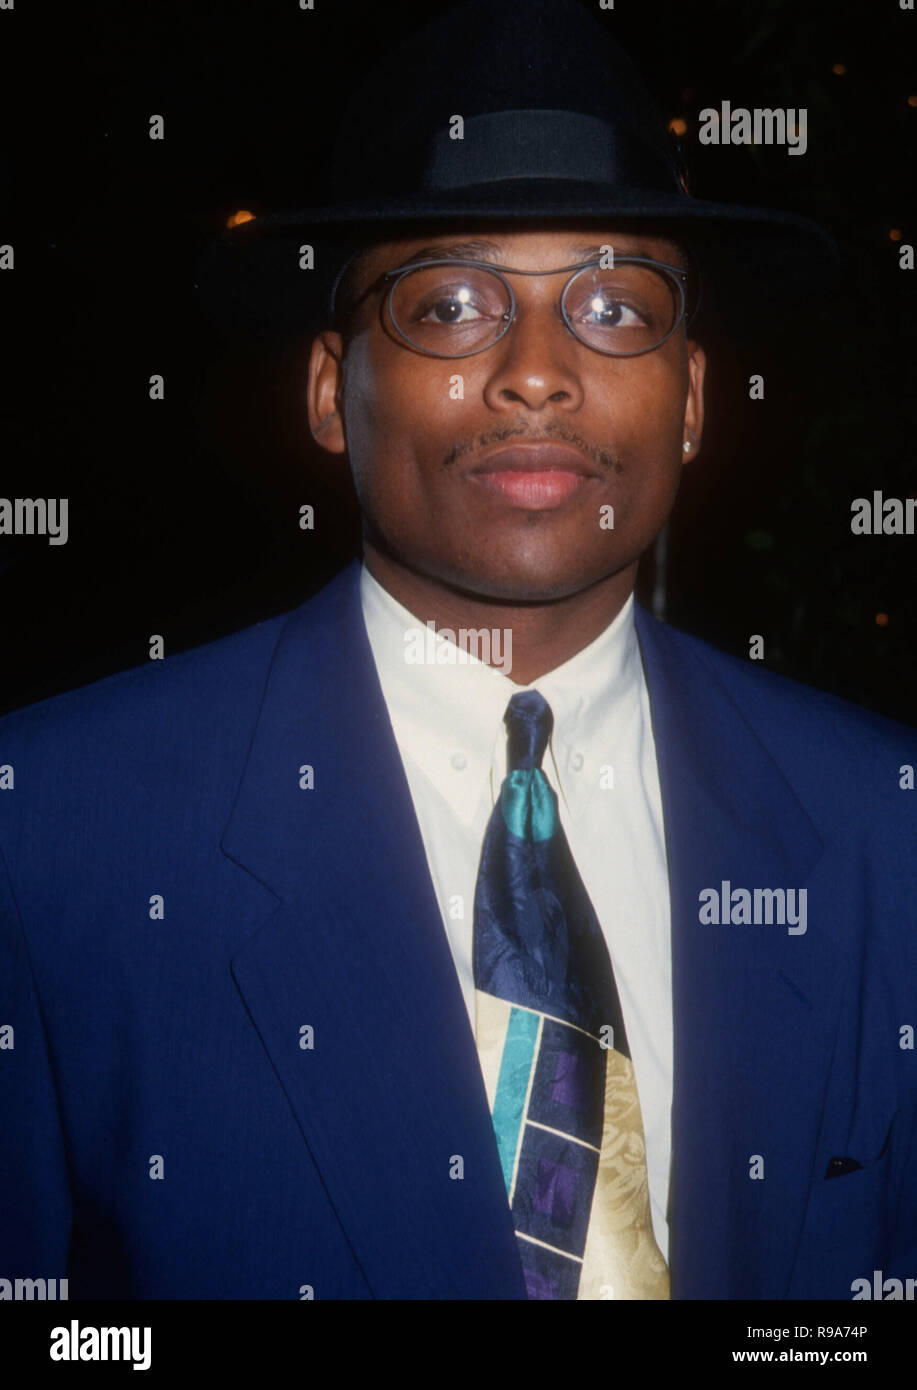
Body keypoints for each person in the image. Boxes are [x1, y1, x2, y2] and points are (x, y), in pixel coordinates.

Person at [2, 0, 915, 1302]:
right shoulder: (52, 837)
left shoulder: (882, 828)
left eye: (611, 303)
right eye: (449, 303)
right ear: (331, 387)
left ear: (695, 399)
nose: (536, 371)